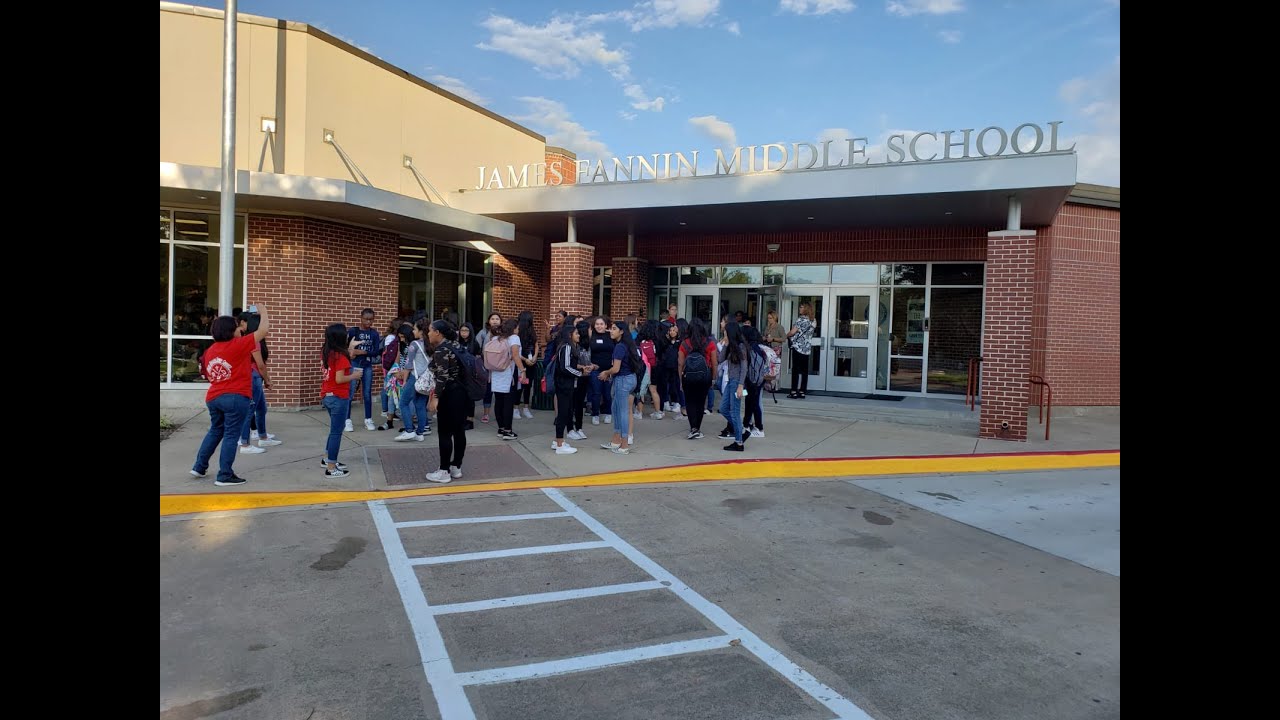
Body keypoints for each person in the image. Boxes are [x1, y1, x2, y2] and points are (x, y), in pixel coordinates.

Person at [190, 303, 270, 486]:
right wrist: (263, 311)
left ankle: (199, 466)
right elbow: (263, 330)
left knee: (215, 431)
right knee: (231, 435)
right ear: (230, 331)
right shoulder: (238, 345)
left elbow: (209, 374)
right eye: (236, 327)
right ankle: (225, 474)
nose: (240, 329)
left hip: (214, 397)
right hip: (235, 397)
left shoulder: (210, 351)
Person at [424, 320, 467, 484]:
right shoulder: (456, 345)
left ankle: (443, 471)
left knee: (445, 432)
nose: (428, 334)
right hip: (462, 393)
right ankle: (456, 467)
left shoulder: (442, 350)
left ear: (438, 333)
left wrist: (435, 398)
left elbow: (442, 377)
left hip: (449, 394)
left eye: (430, 331)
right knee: (459, 431)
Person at [597, 320, 643, 454]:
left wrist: (606, 372)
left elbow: (616, 368)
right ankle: (616, 441)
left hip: (622, 380)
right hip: (629, 379)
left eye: (614, 329)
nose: (611, 331)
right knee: (616, 409)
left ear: (621, 331)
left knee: (622, 412)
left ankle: (624, 445)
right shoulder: (626, 345)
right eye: (611, 329)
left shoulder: (620, 347)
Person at [320, 323, 355, 478]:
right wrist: (354, 376)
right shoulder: (340, 356)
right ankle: (331, 467)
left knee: (333, 430)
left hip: (327, 395)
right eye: (345, 333)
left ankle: (327, 458)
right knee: (336, 432)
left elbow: (348, 356)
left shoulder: (328, 352)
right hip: (338, 397)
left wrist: (351, 347)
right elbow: (340, 378)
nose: (347, 335)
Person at [550, 322, 588, 454]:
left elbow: (568, 365)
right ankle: (560, 444)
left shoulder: (568, 347)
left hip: (565, 384)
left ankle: (557, 441)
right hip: (564, 384)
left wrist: (581, 368)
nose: (579, 335)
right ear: (569, 335)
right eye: (576, 333)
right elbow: (565, 367)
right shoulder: (566, 347)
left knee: (565, 412)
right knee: (563, 413)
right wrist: (580, 373)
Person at [678, 317, 717, 440]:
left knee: (690, 402)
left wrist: (680, 380)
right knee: (700, 402)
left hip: (688, 376)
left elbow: (680, 363)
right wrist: (713, 378)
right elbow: (714, 363)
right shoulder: (709, 343)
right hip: (704, 376)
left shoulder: (684, 343)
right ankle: (697, 428)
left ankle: (693, 427)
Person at [394, 319, 432, 441]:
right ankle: (420, 433)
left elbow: (408, 365)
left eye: (415, 329)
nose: (413, 331)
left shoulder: (414, 345)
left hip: (414, 378)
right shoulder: (431, 343)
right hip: (426, 380)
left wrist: (405, 381)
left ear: (420, 331)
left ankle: (409, 430)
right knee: (420, 405)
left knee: (403, 403)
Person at [346, 308, 381, 431]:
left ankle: (368, 419)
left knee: (367, 393)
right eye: (366, 319)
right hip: (354, 364)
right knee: (350, 393)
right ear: (361, 318)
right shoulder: (353, 331)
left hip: (367, 365)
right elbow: (345, 347)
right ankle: (347, 420)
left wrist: (361, 351)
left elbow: (377, 351)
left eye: (371, 320)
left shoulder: (374, 334)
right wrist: (351, 352)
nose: (368, 322)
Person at [719, 321, 751, 452]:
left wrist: (740, 385)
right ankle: (741, 431)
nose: (724, 332)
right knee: (723, 408)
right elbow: (721, 359)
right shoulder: (731, 346)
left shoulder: (741, 346)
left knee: (734, 411)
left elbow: (744, 367)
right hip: (731, 381)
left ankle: (739, 442)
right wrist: (726, 344)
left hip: (737, 382)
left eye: (725, 331)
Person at [476, 312, 502, 423]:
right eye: (492, 319)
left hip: (500, 366)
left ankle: (499, 413)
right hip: (486, 365)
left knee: (500, 391)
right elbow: (477, 347)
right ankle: (486, 413)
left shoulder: (503, 333)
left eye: (497, 319)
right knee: (488, 390)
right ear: (488, 321)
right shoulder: (483, 332)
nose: (495, 321)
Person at [786, 302, 815, 399]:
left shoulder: (800, 320)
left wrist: (787, 335)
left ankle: (794, 391)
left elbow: (792, 332)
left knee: (795, 370)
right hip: (806, 349)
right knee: (804, 371)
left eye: (801, 307)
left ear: (806, 309)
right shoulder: (813, 321)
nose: (799, 308)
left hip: (798, 347)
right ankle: (802, 391)